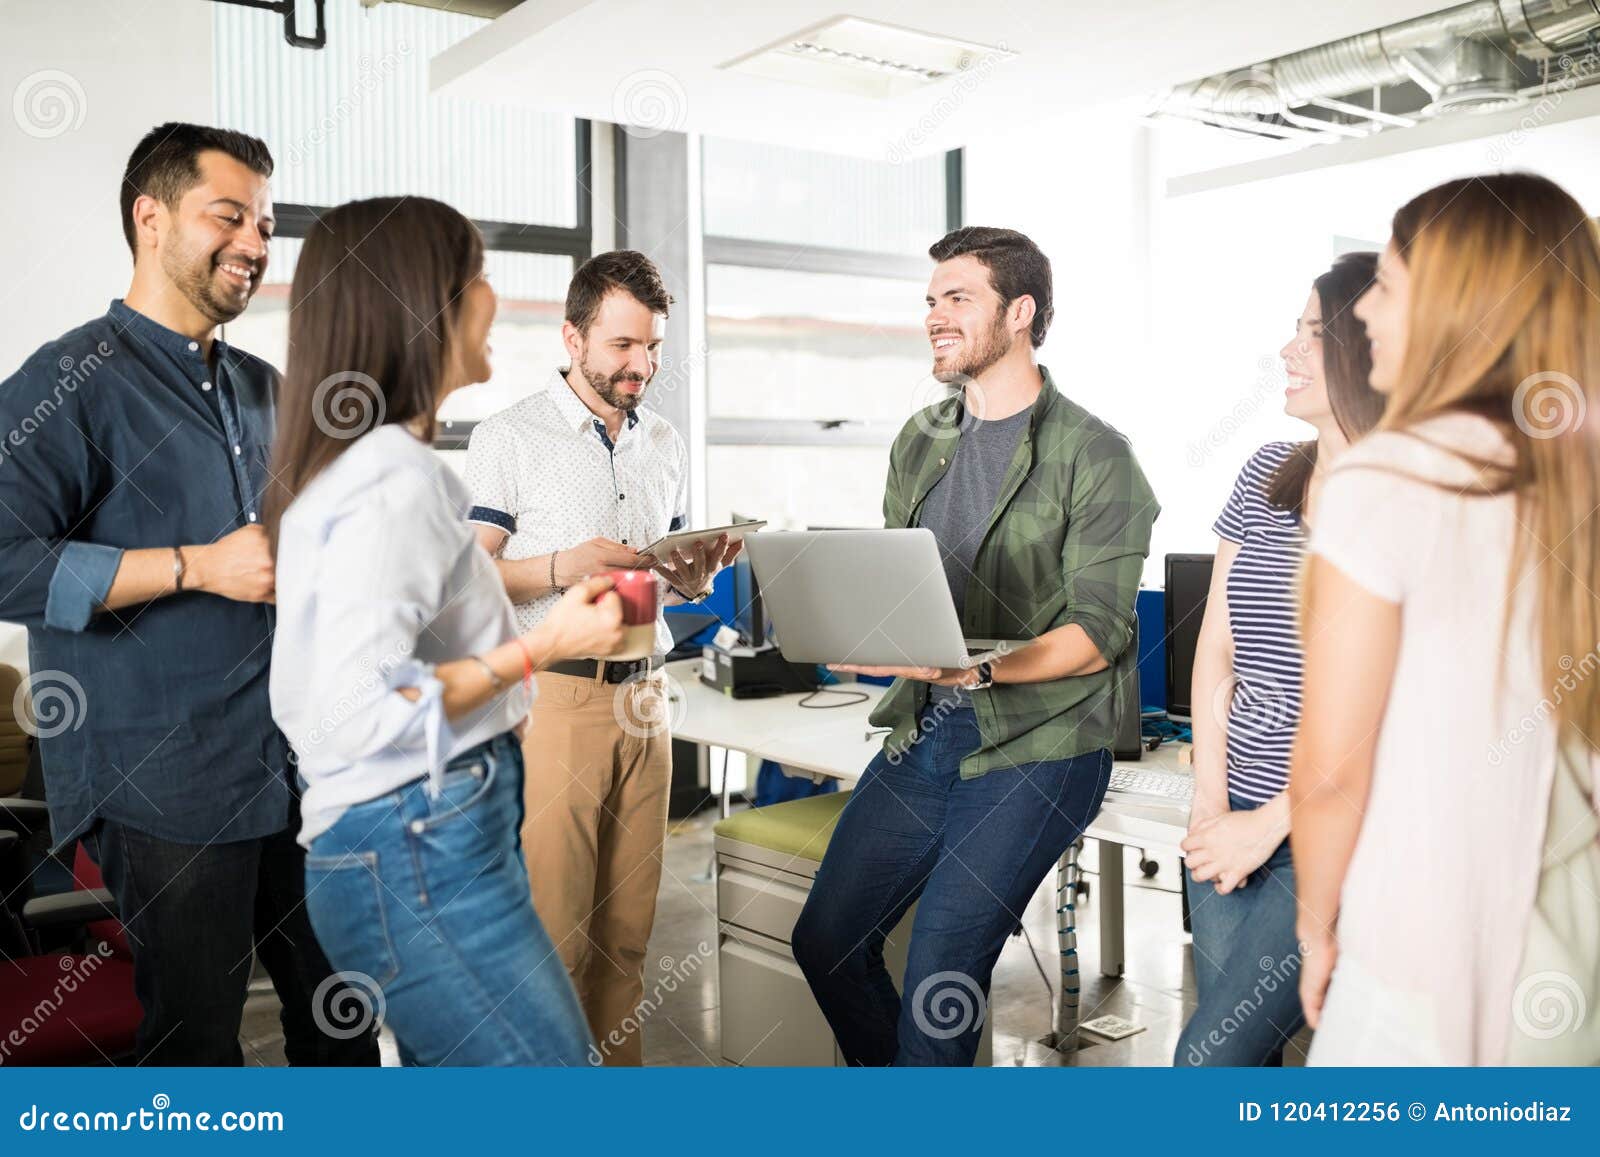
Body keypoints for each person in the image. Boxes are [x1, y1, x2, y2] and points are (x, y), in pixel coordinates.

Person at [0, 122, 376, 1067]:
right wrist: (196, 565)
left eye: (266, 222)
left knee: (346, 1027)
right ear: (150, 216)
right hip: (163, 790)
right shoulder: (67, 384)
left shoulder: (264, 390)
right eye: (230, 216)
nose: (255, 242)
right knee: (199, 1047)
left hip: (301, 772)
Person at [264, 195, 628, 1066]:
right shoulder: (393, 478)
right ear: (424, 303)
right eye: (479, 278)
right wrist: (542, 644)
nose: (495, 299)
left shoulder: (350, 468)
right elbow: (359, 707)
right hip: (415, 848)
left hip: (411, 842)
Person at [790, 226, 1159, 1066]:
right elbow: (904, 577)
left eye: (957, 298)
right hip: (928, 733)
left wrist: (979, 667)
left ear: (1020, 312)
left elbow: (1099, 631)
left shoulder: (1097, 455)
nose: (934, 316)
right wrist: (863, 624)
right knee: (827, 940)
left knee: (939, 983)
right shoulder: (921, 438)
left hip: (1041, 743)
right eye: (929, 300)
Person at [1292, 173, 1600, 1065]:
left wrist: (1317, 927)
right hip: (1571, 950)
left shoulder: (1392, 477)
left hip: (1426, 953)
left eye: (1385, 285)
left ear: (1456, 303)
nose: (1365, 316)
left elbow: (1331, 769)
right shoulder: (1574, 473)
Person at [463, 251, 738, 1066]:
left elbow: (659, 576)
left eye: (652, 346)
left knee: (627, 943)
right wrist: (562, 566)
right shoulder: (509, 435)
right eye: (623, 346)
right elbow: (468, 582)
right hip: (557, 701)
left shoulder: (663, 442)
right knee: (557, 946)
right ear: (572, 336)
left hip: (646, 700)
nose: (641, 366)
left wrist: (692, 576)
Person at [1175, 253, 1383, 1066]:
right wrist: (1210, 802)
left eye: (1313, 333)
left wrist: (1265, 827)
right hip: (1228, 816)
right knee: (1246, 1064)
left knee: (1205, 1061)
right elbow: (1217, 650)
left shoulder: (1409, 500)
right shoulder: (1266, 470)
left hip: (1331, 830)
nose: (1289, 352)